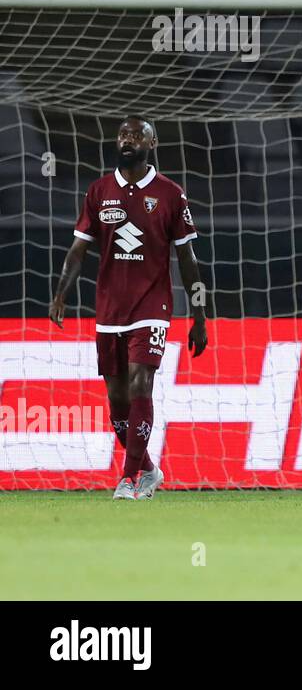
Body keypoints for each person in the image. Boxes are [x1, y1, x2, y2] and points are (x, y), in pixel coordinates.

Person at [49, 116, 208, 500]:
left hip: (153, 304)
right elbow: (77, 250)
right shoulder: (99, 190)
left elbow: (188, 260)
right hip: (110, 309)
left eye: (137, 135)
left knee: (141, 383)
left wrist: (200, 315)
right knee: (118, 402)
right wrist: (60, 294)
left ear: (151, 144)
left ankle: (128, 479)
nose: (127, 140)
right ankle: (149, 469)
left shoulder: (170, 194)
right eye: (123, 134)